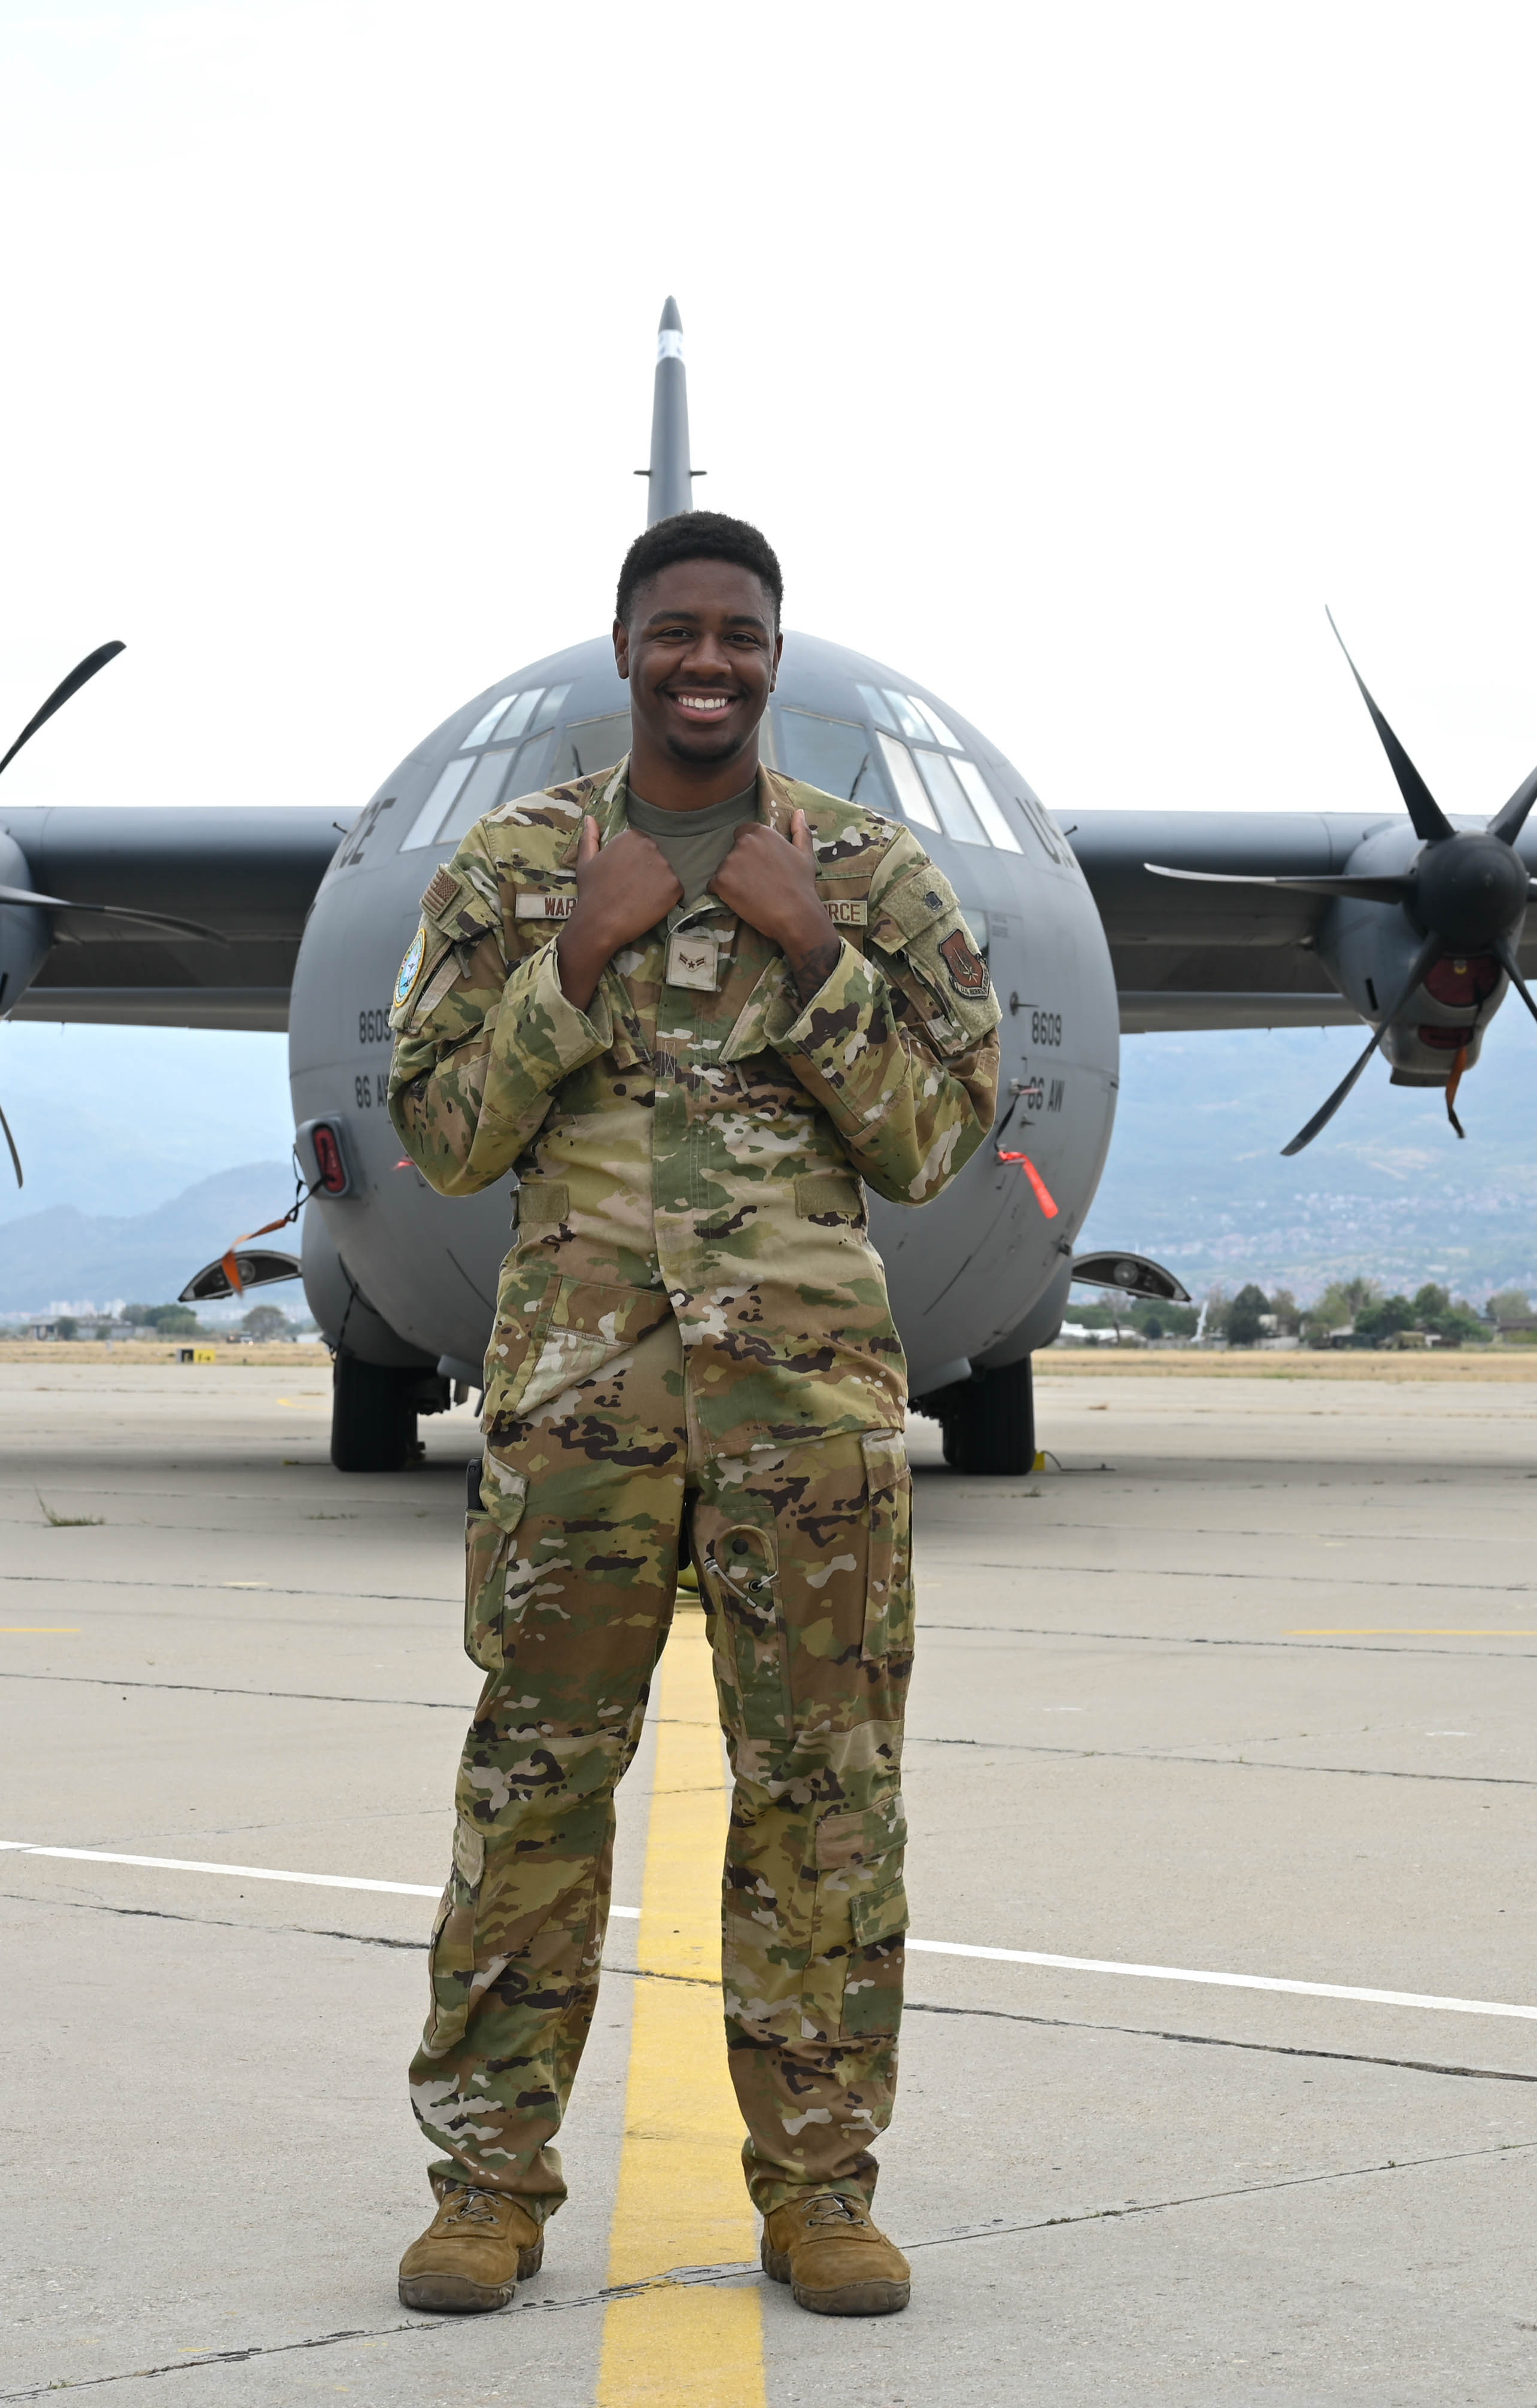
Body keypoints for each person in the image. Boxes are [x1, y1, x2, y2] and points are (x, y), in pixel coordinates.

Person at [381, 511, 1000, 2319]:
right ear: (629, 646)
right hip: (579, 1419)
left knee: (827, 1804)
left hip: (802, 1426)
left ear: (773, 657)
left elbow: (936, 1142)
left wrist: (821, 962)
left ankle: (822, 2193)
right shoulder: (515, 871)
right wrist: (571, 967)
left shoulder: (870, 880)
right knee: (534, 1792)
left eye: (738, 634)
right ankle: (486, 2188)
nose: (707, 662)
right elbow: (442, 1137)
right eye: (677, 633)